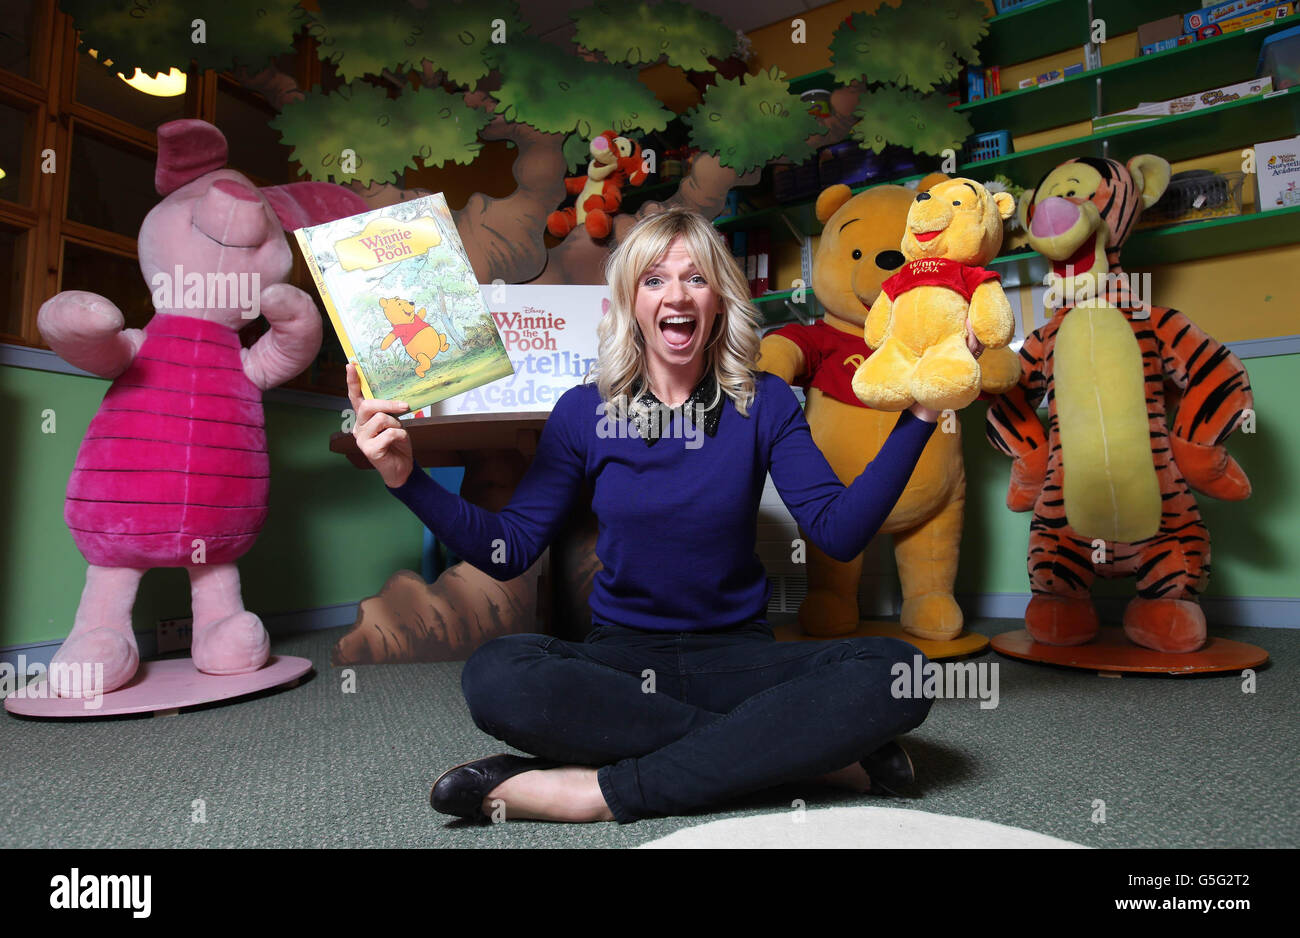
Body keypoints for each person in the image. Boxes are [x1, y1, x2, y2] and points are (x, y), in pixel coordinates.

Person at [348, 207, 977, 825]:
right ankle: (798, 761)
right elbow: (508, 549)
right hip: (621, 665)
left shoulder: (766, 402)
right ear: (630, 302)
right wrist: (406, 478)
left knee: (900, 673)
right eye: (654, 279)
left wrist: (923, 410)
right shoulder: (582, 412)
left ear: (719, 301)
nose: (676, 295)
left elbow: (838, 533)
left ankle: (597, 793)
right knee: (495, 674)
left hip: (740, 663)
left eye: (696, 278)